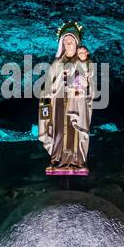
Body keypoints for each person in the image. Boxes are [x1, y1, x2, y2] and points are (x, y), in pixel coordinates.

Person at [38, 21, 94, 174]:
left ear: (77, 44)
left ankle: (77, 162)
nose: (68, 44)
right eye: (65, 42)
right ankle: (58, 161)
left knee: (75, 130)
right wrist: (46, 103)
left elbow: (91, 86)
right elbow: (47, 88)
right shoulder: (56, 64)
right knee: (58, 132)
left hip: (77, 105)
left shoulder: (85, 62)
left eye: (71, 42)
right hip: (58, 104)